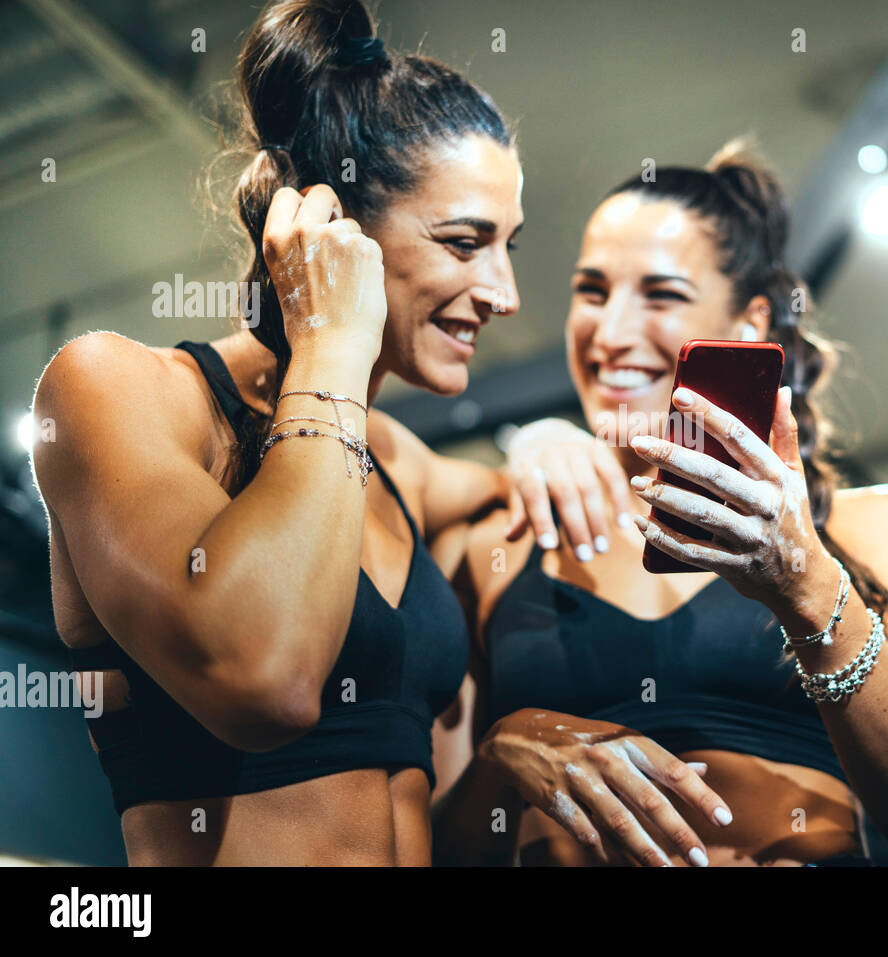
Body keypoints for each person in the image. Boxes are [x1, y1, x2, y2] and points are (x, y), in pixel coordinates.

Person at [29, 0, 620, 866]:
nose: (504, 292)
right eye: (464, 242)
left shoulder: (399, 466)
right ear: (332, 223)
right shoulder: (117, 387)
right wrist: (333, 337)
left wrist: (542, 439)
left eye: (509, 247)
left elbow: (506, 485)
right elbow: (263, 677)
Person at [432, 141, 888, 866]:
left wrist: (802, 583)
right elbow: (435, 847)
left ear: (749, 324)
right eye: (592, 291)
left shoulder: (879, 525)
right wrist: (509, 748)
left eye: (660, 295)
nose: (612, 332)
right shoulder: (494, 544)